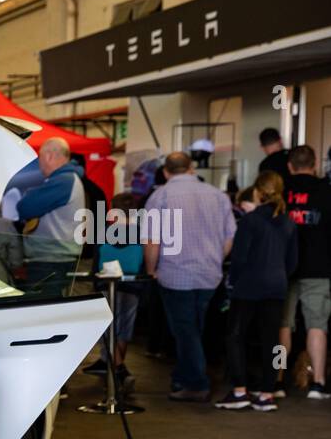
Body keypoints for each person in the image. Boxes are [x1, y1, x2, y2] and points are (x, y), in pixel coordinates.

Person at [143, 150, 236, 401]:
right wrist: (216, 257)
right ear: (192, 169)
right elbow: (230, 236)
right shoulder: (218, 196)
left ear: (165, 172)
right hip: (210, 274)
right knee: (197, 328)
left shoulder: (159, 197)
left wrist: (152, 270)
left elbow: (152, 240)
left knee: (185, 330)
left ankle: (196, 384)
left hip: (175, 274)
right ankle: (183, 378)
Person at [216, 171, 298, 412]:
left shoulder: (250, 221)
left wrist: (234, 281)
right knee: (273, 341)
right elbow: (292, 262)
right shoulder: (289, 222)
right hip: (277, 286)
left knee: (235, 337)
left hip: (249, 285)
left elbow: (239, 258)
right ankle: (268, 391)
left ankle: (240, 390)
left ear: (258, 192)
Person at [278, 144, 331, 399]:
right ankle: (318, 383)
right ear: (315, 164)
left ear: (290, 166)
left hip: (282, 267)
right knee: (317, 325)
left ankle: (276, 380)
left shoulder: (280, 190)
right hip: (319, 267)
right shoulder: (327, 190)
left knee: (282, 324)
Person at [84, 192, 145, 384]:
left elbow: (96, 262)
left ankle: (118, 368)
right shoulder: (141, 232)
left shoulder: (103, 232)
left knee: (109, 326)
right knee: (124, 328)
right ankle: (115, 364)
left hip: (107, 284)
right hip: (132, 285)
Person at [15, 138, 85, 296]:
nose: (39, 164)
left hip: (52, 261)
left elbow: (25, 207)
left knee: (43, 311)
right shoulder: (67, 179)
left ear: (49, 156)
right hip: (55, 258)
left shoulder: (63, 181)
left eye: (40, 157)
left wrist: (29, 196)